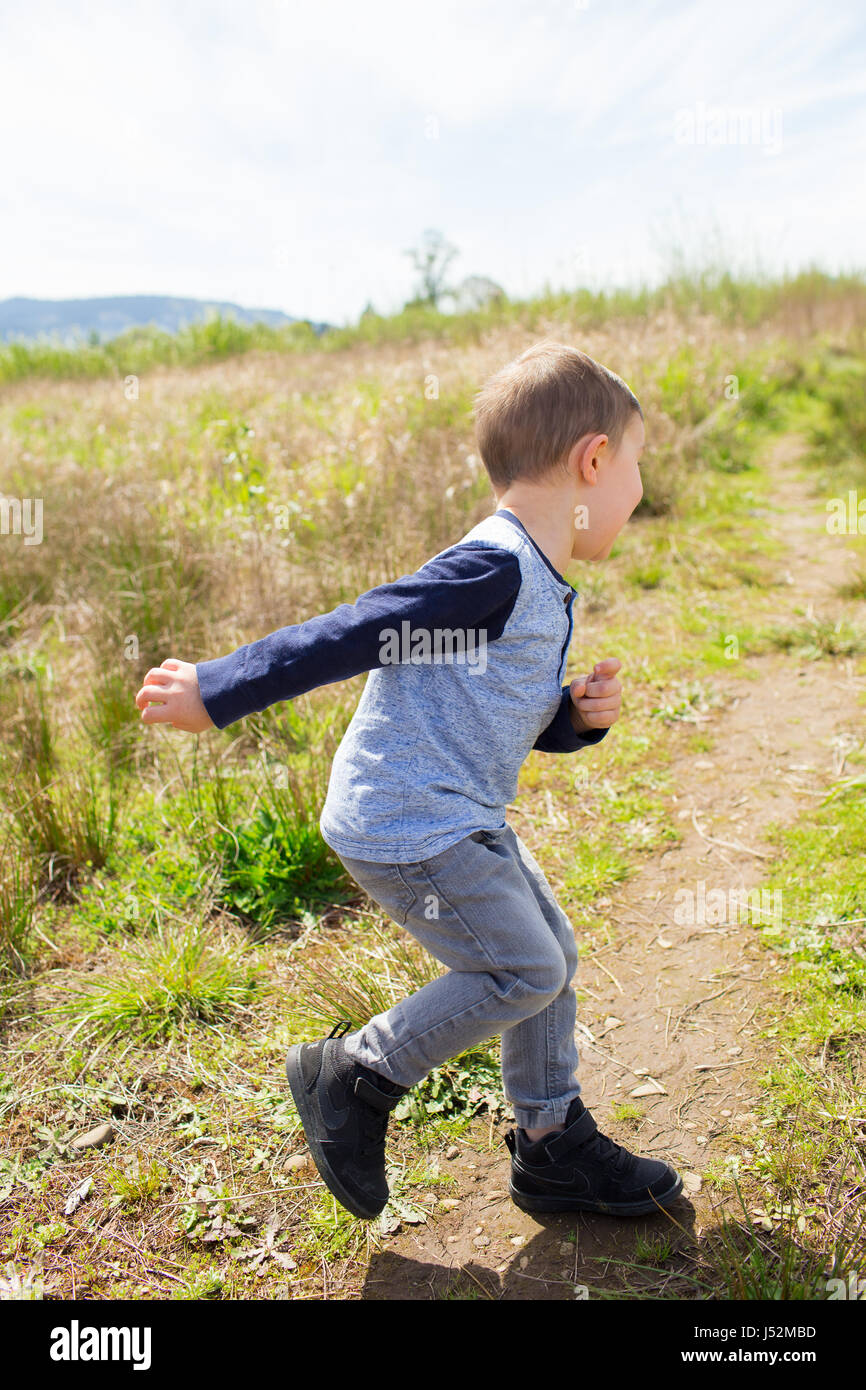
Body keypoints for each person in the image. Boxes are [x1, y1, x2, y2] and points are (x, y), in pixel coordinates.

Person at [135, 340, 683, 1223]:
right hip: (407, 821)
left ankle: (553, 1148)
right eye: (638, 464)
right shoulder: (491, 568)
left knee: (551, 954)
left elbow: (495, 705)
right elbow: (360, 629)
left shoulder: (527, 575)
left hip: (450, 813)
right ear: (593, 460)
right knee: (524, 967)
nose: (641, 488)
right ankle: (354, 1074)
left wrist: (574, 716)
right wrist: (218, 687)